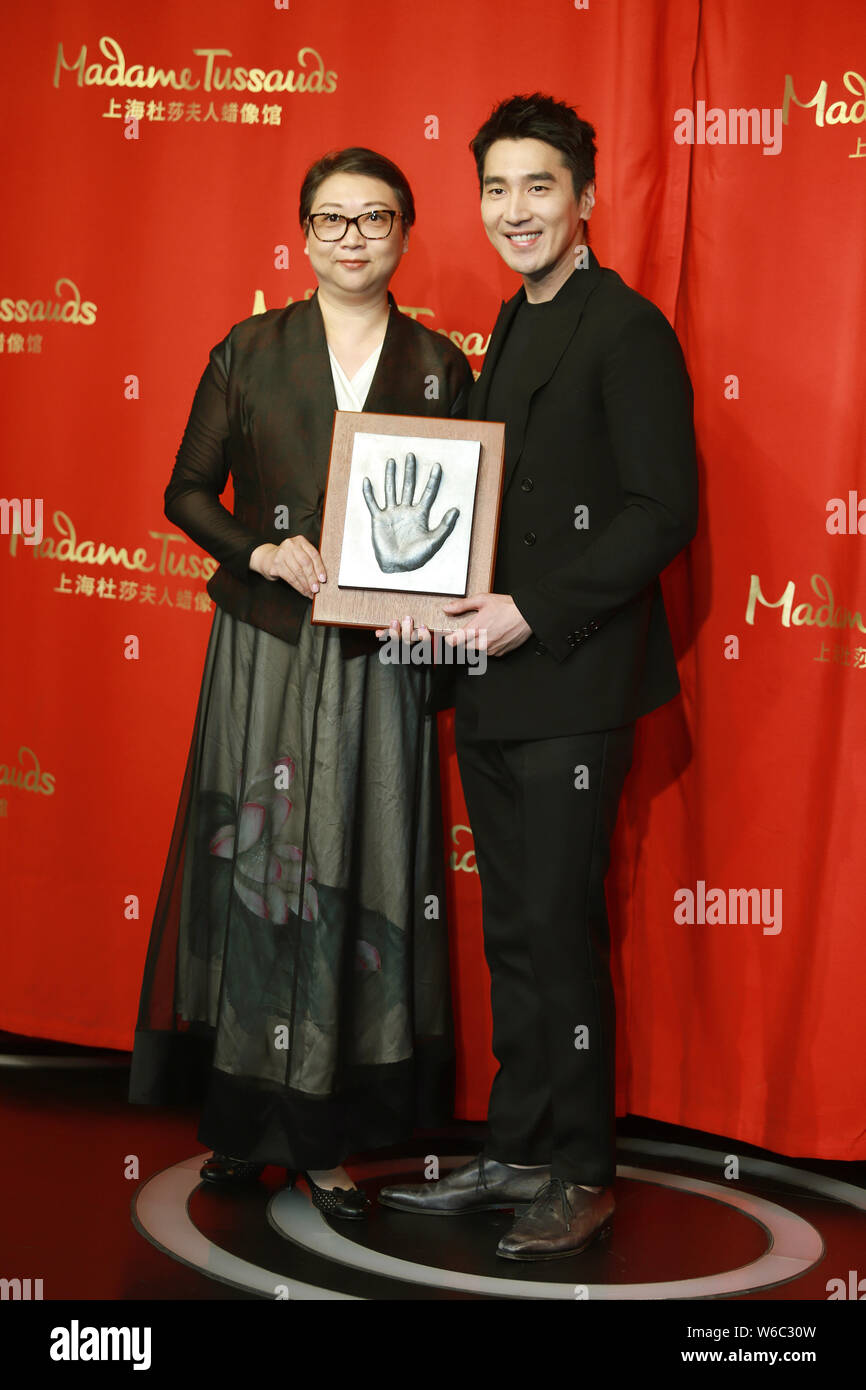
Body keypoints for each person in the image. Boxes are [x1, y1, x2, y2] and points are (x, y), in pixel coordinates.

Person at [379, 94, 698, 1257]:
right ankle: (513, 1149)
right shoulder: (508, 325)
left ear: (584, 197)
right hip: (492, 678)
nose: (515, 211)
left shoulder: (627, 328)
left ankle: (580, 1167)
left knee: (558, 929)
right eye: (496, 190)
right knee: (512, 928)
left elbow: (662, 509)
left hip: (569, 676)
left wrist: (530, 607)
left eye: (538, 188)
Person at [128, 147, 474, 1219]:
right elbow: (185, 492)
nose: (352, 238)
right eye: (331, 219)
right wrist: (257, 550)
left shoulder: (437, 363)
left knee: (358, 871)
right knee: (260, 867)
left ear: (405, 234)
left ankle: (326, 1132)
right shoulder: (248, 348)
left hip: (383, 658)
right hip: (265, 644)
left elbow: (466, 520)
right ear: (302, 234)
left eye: (374, 219)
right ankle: (243, 1124)